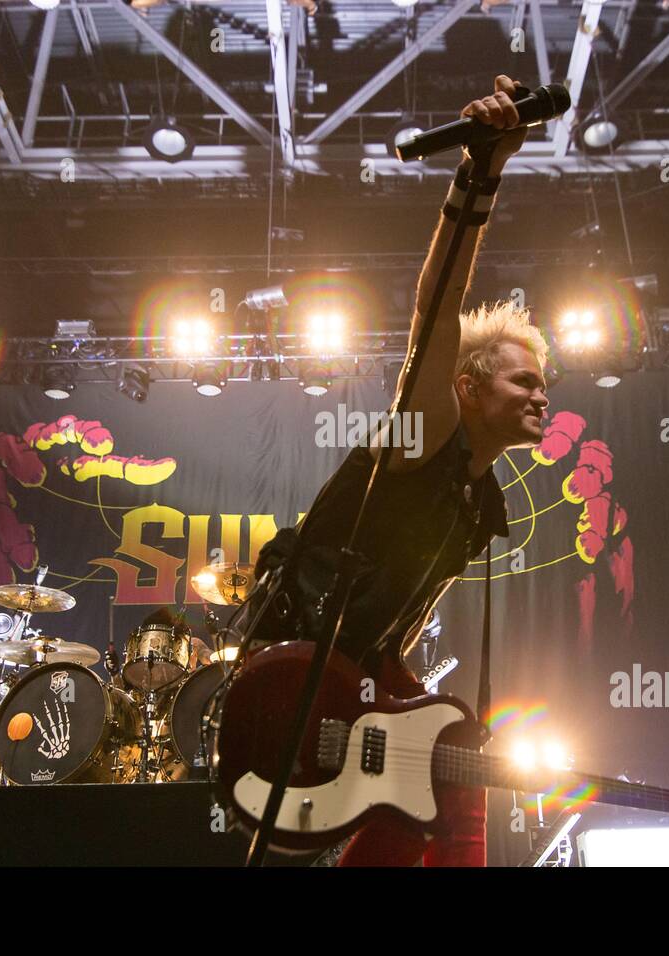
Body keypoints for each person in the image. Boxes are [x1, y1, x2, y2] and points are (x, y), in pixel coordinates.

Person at [240, 75, 547, 866]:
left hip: (355, 675)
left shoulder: (480, 502)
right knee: (445, 773)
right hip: (294, 667)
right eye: (524, 380)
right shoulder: (426, 435)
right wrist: (480, 174)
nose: (541, 394)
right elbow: (434, 313)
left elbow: (397, 620)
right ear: (470, 389)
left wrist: (410, 702)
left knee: (458, 758)